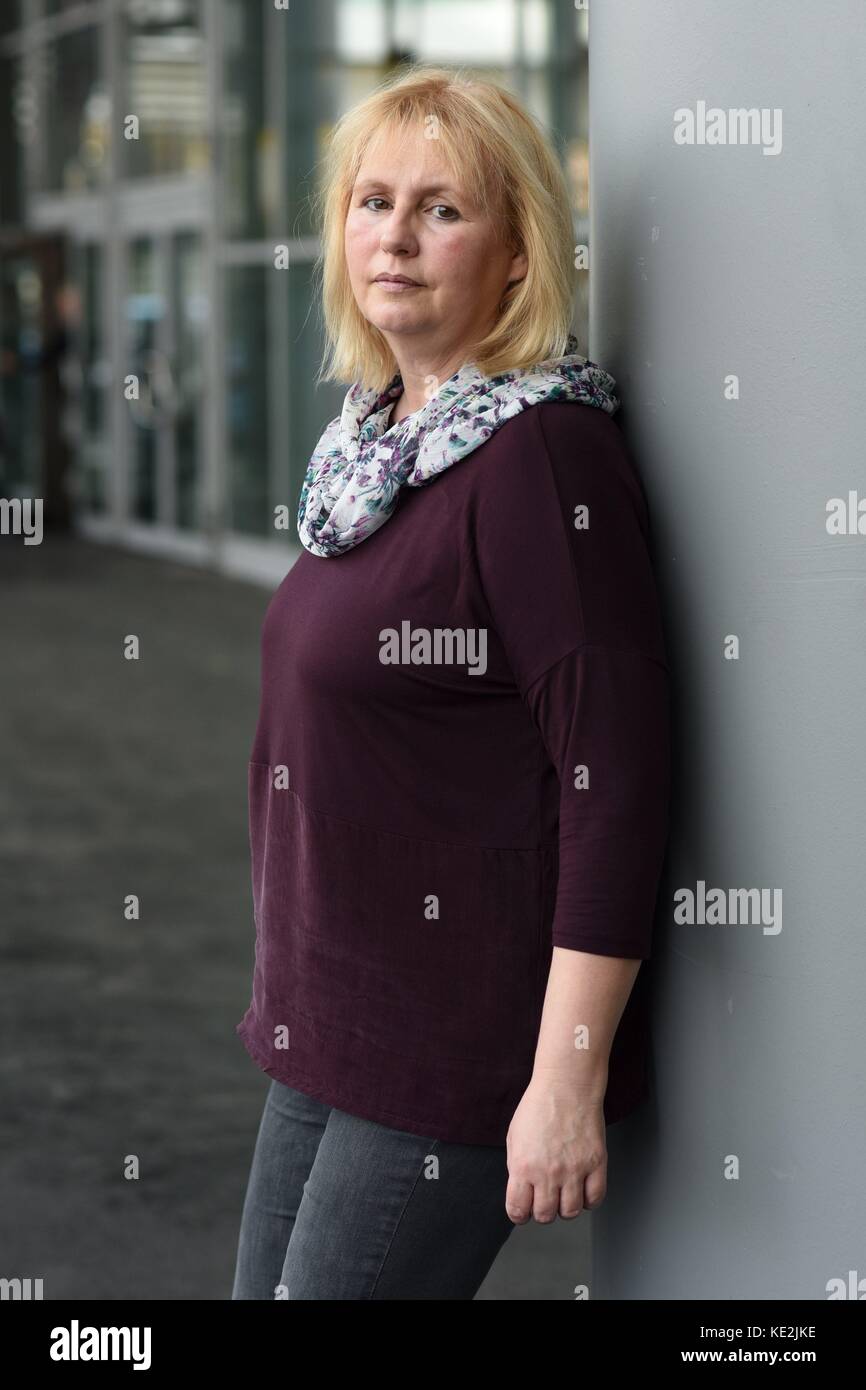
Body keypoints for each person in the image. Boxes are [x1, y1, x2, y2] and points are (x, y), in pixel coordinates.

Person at [231, 63, 671, 1301]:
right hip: (331, 1028)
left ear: (519, 253)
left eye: (442, 208)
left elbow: (616, 781)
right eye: (373, 202)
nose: (396, 237)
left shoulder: (541, 458)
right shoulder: (371, 453)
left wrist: (565, 1079)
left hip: (450, 1052)